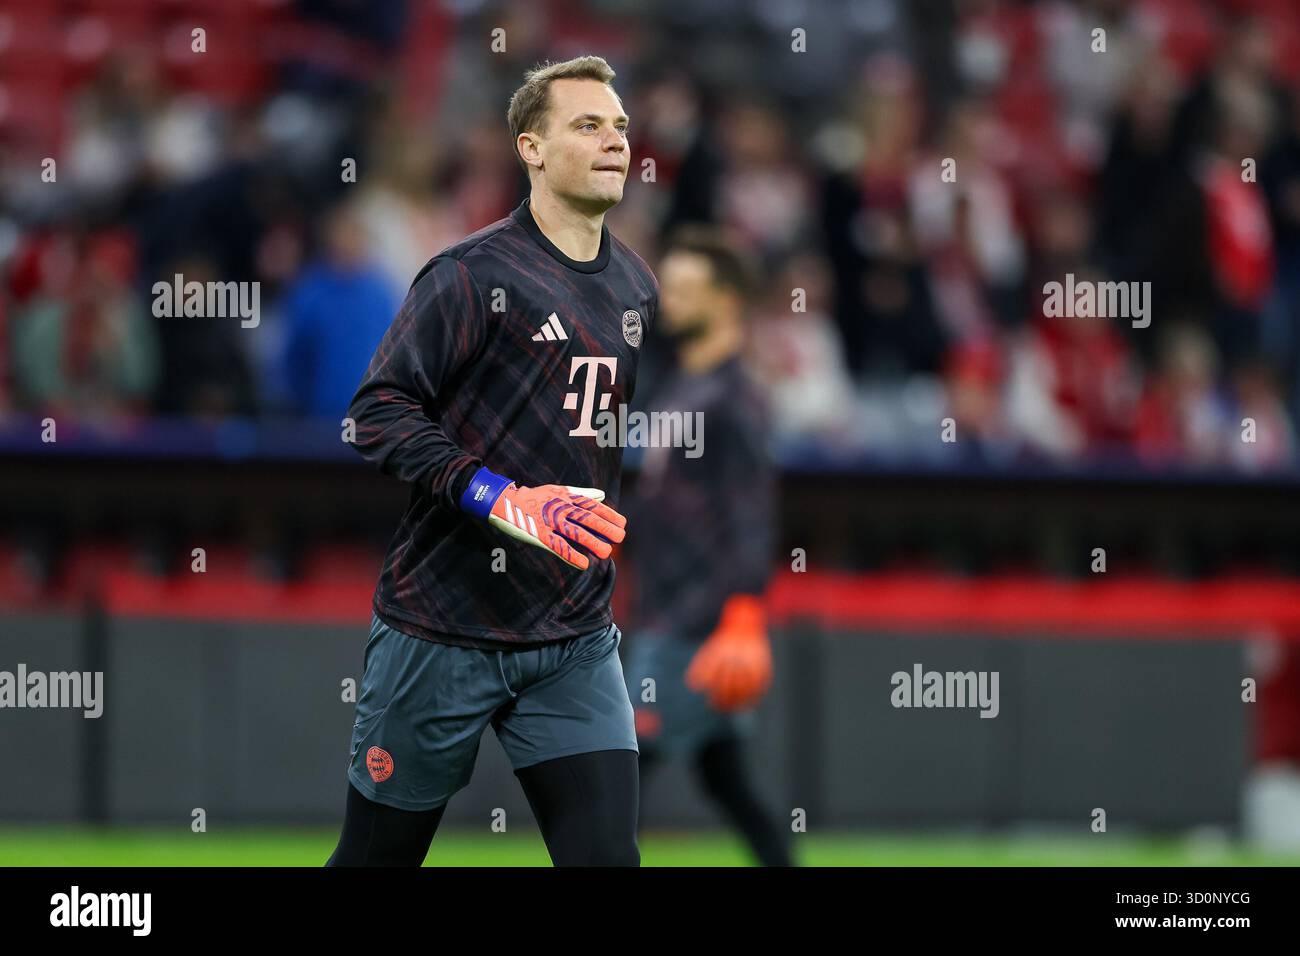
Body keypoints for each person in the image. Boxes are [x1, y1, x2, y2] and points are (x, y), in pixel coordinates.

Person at [326, 55, 658, 867]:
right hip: (443, 625)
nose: (614, 139)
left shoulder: (638, 290)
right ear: (531, 149)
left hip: (573, 635)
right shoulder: (471, 275)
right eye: (588, 124)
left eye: (618, 125)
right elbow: (376, 413)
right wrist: (502, 497)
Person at [623, 225, 793, 866]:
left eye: (689, 290)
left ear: (726, 302)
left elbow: (752, 519)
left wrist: (744, 614)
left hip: (695, 626)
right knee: (728, 782)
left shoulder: (735, 401)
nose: (671, 302)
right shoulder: (677, 387)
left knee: (619, 776)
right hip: (666, 609)